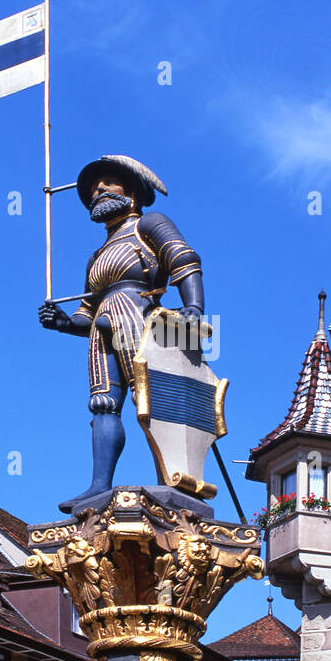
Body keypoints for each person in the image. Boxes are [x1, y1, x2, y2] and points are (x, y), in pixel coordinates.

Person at [38, 155, 204, 511]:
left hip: (141, 317)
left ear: (132, 191)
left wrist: (194, 308)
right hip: (103, 330)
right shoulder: (96, 255)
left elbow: (184, 260)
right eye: (96, 187)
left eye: (108, 182)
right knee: (103, 405)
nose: (99, 189)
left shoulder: (150, 225)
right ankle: (99, 485)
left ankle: (171, 479)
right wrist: (64, 322)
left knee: (155, 400)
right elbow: (87, 312)